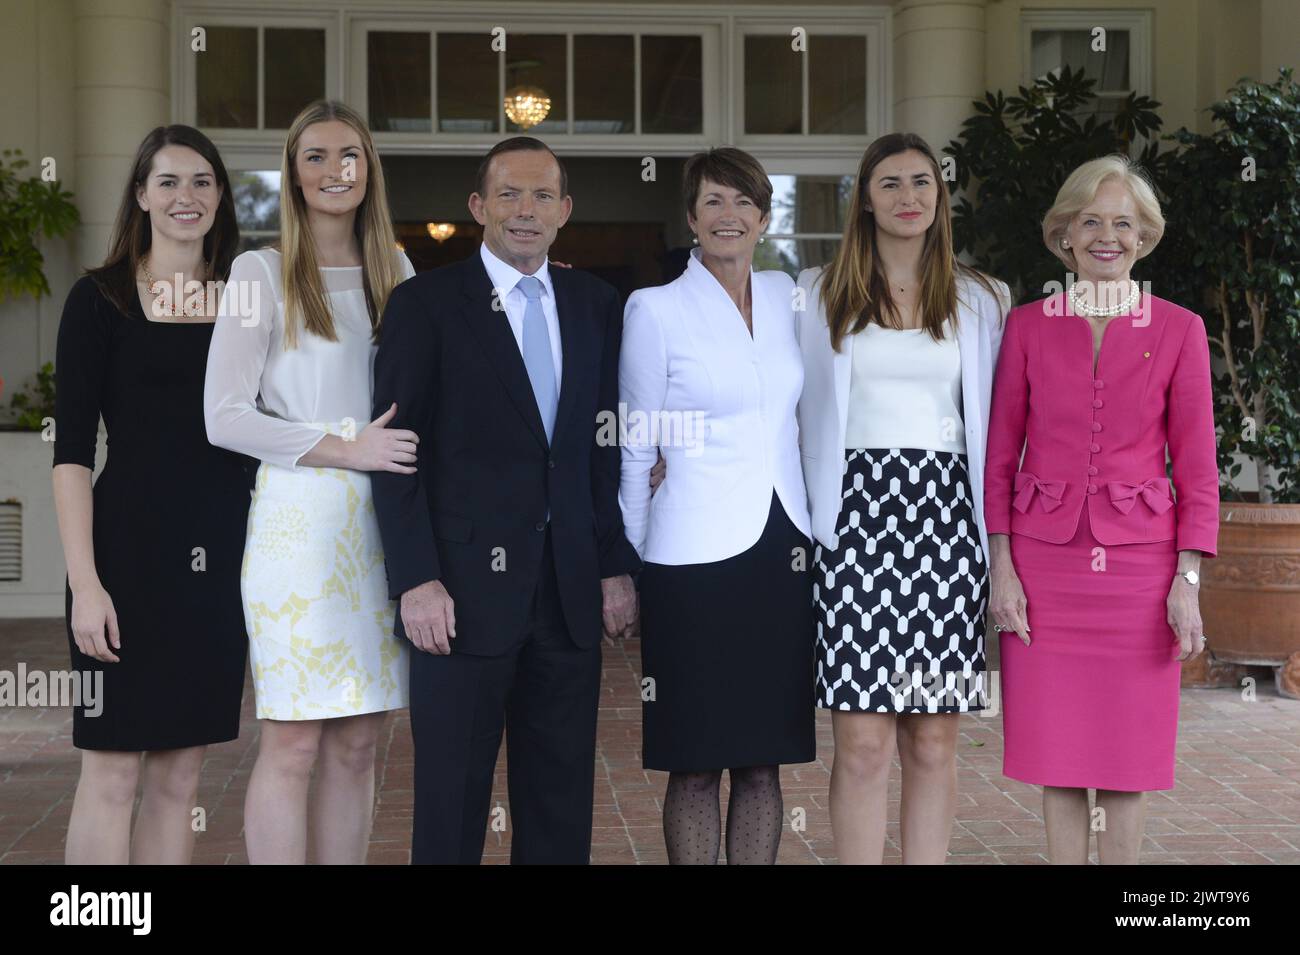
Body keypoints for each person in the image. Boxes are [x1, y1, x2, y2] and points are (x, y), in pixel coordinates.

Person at [370, 136, 640, 865]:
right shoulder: (424, 304)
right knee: (452, 807)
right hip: (456, 598)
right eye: (510, 194)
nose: (526, 210)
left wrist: (613, 565)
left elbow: (600, 448)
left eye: (543, 195)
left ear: (565, 210)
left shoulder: (595, 305)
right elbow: (396, 457)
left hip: (568, 592)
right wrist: (415, 579)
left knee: (558, 807)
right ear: (478, 206)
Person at [984, 154, 1219, 864]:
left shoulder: (1180, 330)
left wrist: (1189, 580)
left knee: (1126, 760)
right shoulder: (1027, 326)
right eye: (1091, 220)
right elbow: (999, 457)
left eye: (1124, 222)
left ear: (1144, 237)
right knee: (1058, 759)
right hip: (1043, 571)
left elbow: (1199, 468)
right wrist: (1001, 568)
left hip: (1141, 575)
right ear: (1066, 234)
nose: (1107, 236)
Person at [204, 100, 415, 864]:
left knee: (361, 742)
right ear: (293, 172)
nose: (335, 170)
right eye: (317, 156)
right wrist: (346, 447)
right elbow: (224, 416)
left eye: (350, 155)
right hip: (298, 529)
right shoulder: (258, 271)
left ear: (369, 170)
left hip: (385, 524)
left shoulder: (398, 267)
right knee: (293, 741)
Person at [797, 132, 1010, 864]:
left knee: (933, 734)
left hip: (947, 526)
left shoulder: (985, 299)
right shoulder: (818, 291)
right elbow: (776, 400)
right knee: (860, 739)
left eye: (922, 182)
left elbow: (1011, 421)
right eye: (889, 183)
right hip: (853, 525)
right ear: (864, 197)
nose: (907, 196)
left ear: (940, 197)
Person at [53, 125, 248, 864]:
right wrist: (85, 584)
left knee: (181, 773)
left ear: (220, 194)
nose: (185, 197)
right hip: (123, 559)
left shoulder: (245, 301)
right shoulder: (97, 299)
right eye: (167, 181)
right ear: (140, 194)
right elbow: (71, 454)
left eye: (201, 180)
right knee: (107, 769)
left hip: (218, 559)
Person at [620, 147, 815, 865]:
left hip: (782, 549)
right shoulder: (656, 308)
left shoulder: (789, 296)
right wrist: (630, 564)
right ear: (692, 218)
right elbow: (637, 447)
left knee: (764, 760)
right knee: (696, 760)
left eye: (742, 202)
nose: (727, 216)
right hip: (688, 560)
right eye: (712, 202)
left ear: (763, 217)